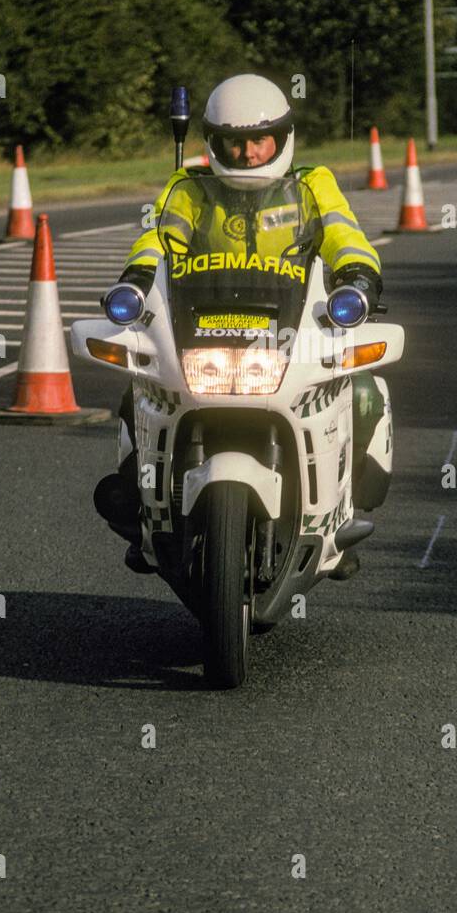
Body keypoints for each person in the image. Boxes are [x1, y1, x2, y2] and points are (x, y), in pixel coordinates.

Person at [96, 73, 390, 579]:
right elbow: (158, 239)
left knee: (364, 389)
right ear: (214, 142)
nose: (249, 152)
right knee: (139, 388)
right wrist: (137, 280)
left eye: (259, 139)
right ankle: (143, 509)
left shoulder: (312, 184)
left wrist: (358, 278)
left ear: (281, 138)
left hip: (291, 328)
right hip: (205, 327)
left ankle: (341, 513)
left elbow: (346, 235)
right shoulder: (188, 189)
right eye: (235, 142)